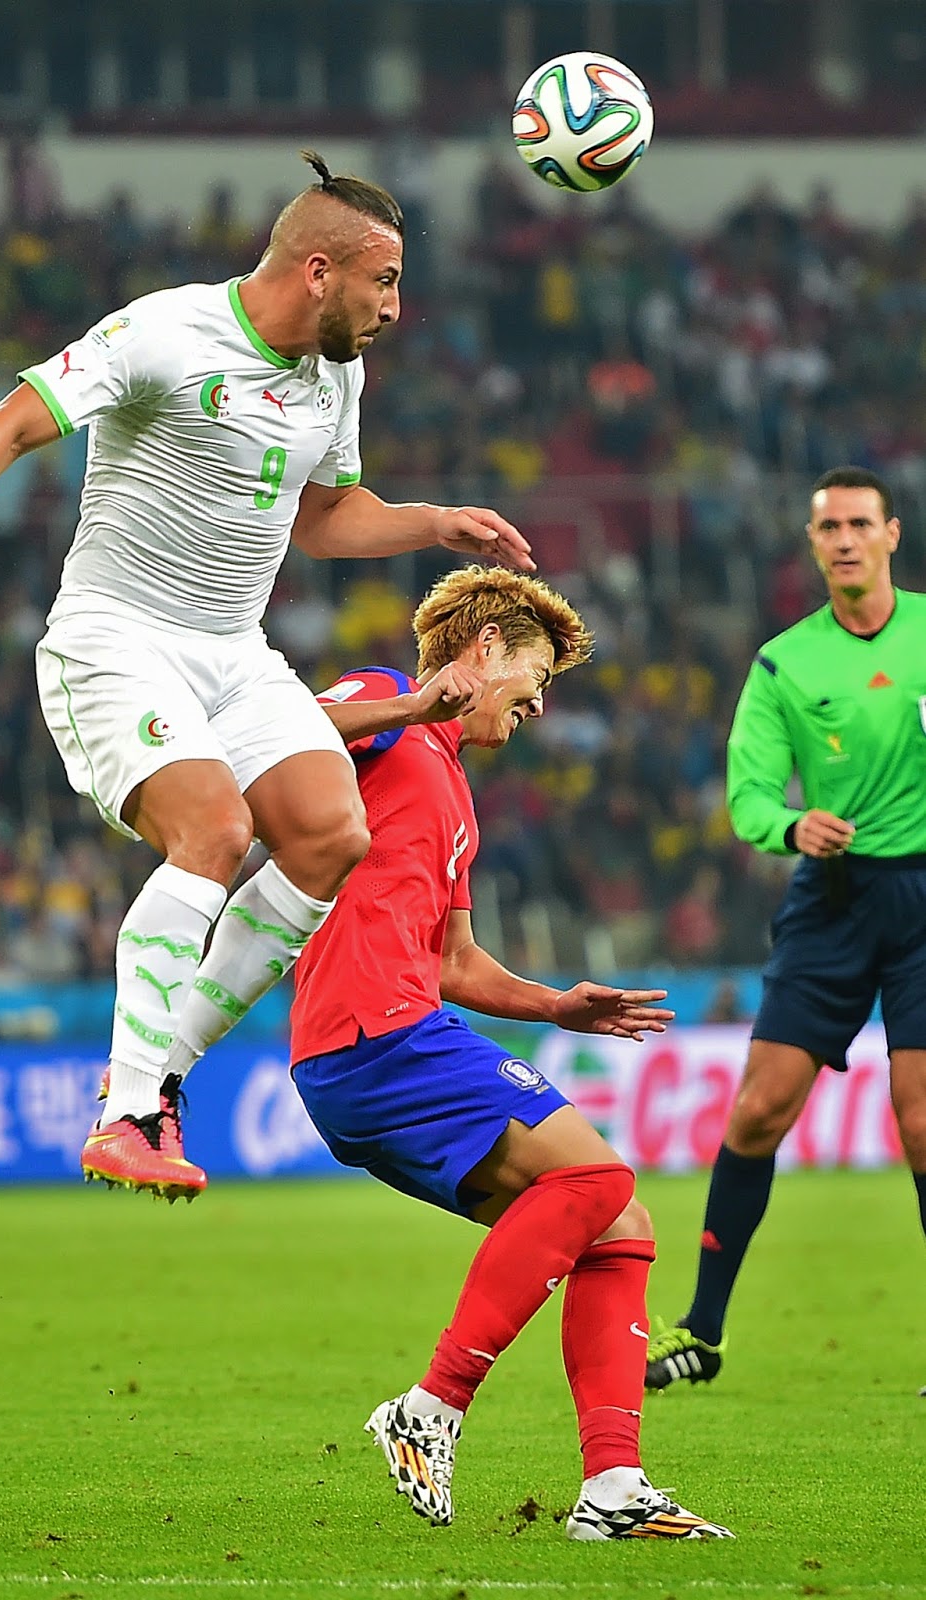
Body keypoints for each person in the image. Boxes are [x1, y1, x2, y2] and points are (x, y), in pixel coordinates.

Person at [0, 152, 533, 1204]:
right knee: (216, 831)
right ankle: (126, 1110)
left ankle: (160, 1074)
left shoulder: (337, 374)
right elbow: (14, 421)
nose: (395, 309)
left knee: (330, 831)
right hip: (117, 638)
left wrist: (432, 521)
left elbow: (321, 518)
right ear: (319, 271)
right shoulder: (166, 333)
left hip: (233, 651)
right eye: (384, 283)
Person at [283, 566, 733, 1540]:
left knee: (617, 1219)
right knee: (597, 1177)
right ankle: (430, 1407)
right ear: (481, 650)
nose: (534, 704)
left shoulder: (454, 794)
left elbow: (453, 960)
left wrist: (553, 1003)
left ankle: (613, 1490)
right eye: (530, 677)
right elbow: (281, 733)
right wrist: (412, 698)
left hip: (394, 1033)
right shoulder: (380, 706)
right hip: (372, 1036)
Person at [646, 466, 926, 1392]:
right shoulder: (783, 662)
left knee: (922, 1124)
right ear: (813, 545)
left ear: (891, 534)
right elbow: (750, 795)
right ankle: (704, 1331)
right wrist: (789, 826)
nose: (844, 539)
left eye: (859, 523)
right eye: (827, 528)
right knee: (761, 1108)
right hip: (833, 900)